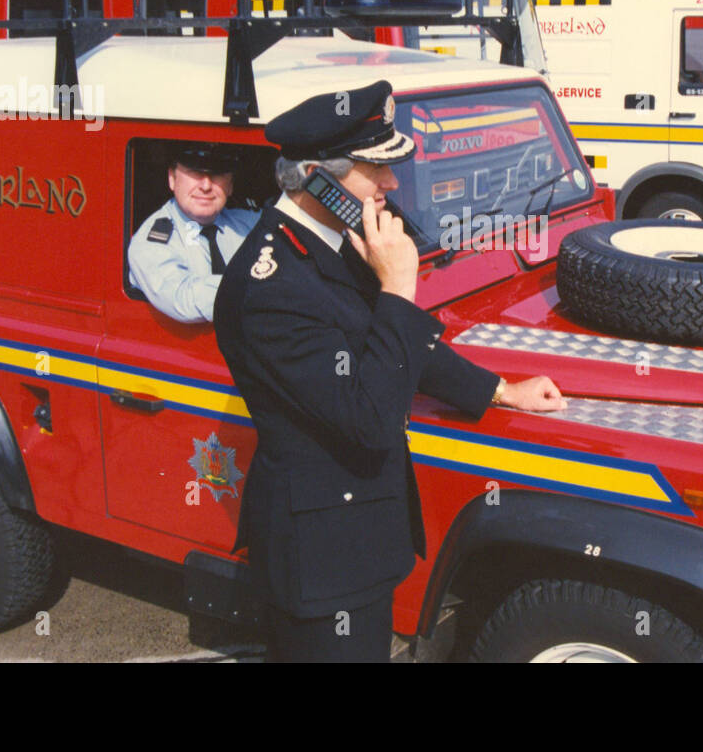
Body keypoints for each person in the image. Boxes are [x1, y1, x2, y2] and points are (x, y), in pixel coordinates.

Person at [213, 79, 566, 663]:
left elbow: (396, 343)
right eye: (372, 169)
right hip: (321, 558)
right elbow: (369, 417)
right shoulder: (269, 285)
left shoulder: (335, 238)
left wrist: (499, 390)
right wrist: (399, 289)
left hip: (363, 537)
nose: (391, 183)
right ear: (314, 177)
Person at [128, 143, 259, 323]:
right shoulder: (150, 243)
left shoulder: (249, 224)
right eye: (195, 173)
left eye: (217, 174)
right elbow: (185, 301)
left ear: (230, 185)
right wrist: (263, 288)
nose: (206, 185)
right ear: (172, 179)